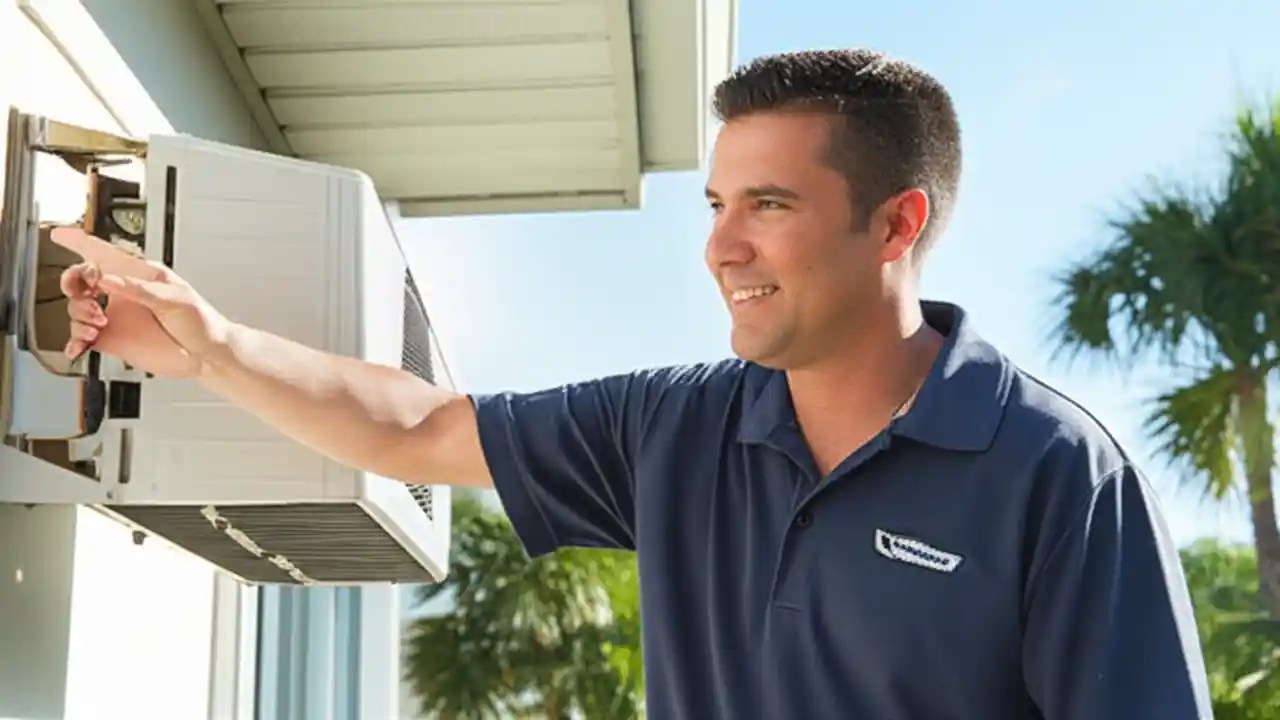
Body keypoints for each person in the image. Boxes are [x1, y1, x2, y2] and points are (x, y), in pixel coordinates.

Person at [53, 48, 1212, 719]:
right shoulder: (675, 424)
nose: (719, 247)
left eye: (768, 205)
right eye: (716, 205)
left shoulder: (1052, 473)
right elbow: (412, 428)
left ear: (892, 223)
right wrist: (206, 344)